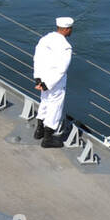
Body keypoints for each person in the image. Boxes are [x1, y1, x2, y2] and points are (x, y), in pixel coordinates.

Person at [33, 17, 74, 148]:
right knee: (55, 106)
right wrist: (48, 84)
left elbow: (37, 58)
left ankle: (39, 130)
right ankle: (48, 138)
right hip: (55, 82)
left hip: (43, 78)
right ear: (67, 29)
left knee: (44, 101)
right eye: (70, 29)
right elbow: (61, 69)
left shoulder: (45, 39)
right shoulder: (66, 47)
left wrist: (38, 78)